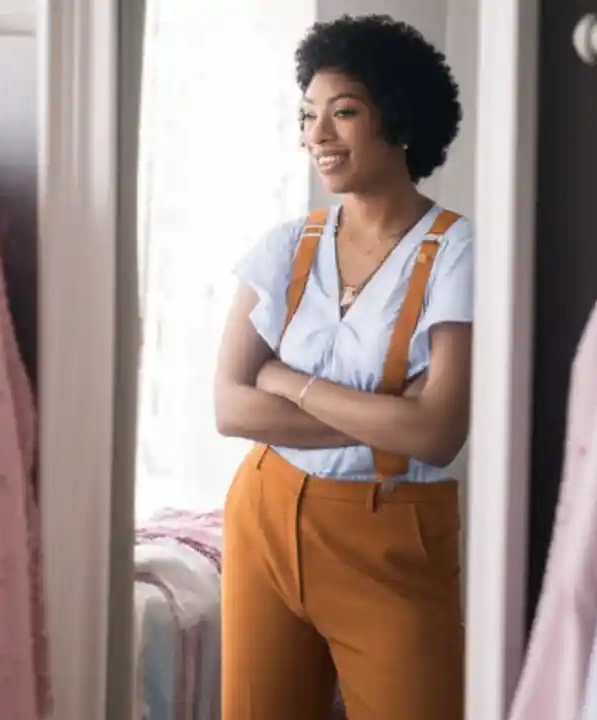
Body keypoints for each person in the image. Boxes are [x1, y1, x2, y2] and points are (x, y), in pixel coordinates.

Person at [214, 14, 472, 719]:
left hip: (390, 539)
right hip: (263, 514)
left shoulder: (457, 254)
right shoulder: (284, 246)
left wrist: (285, 381)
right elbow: (230, 408)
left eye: (345, 112)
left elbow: (438, 434)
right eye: (308, 116)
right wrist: (389, 415)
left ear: (399, 117)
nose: (318, 134)